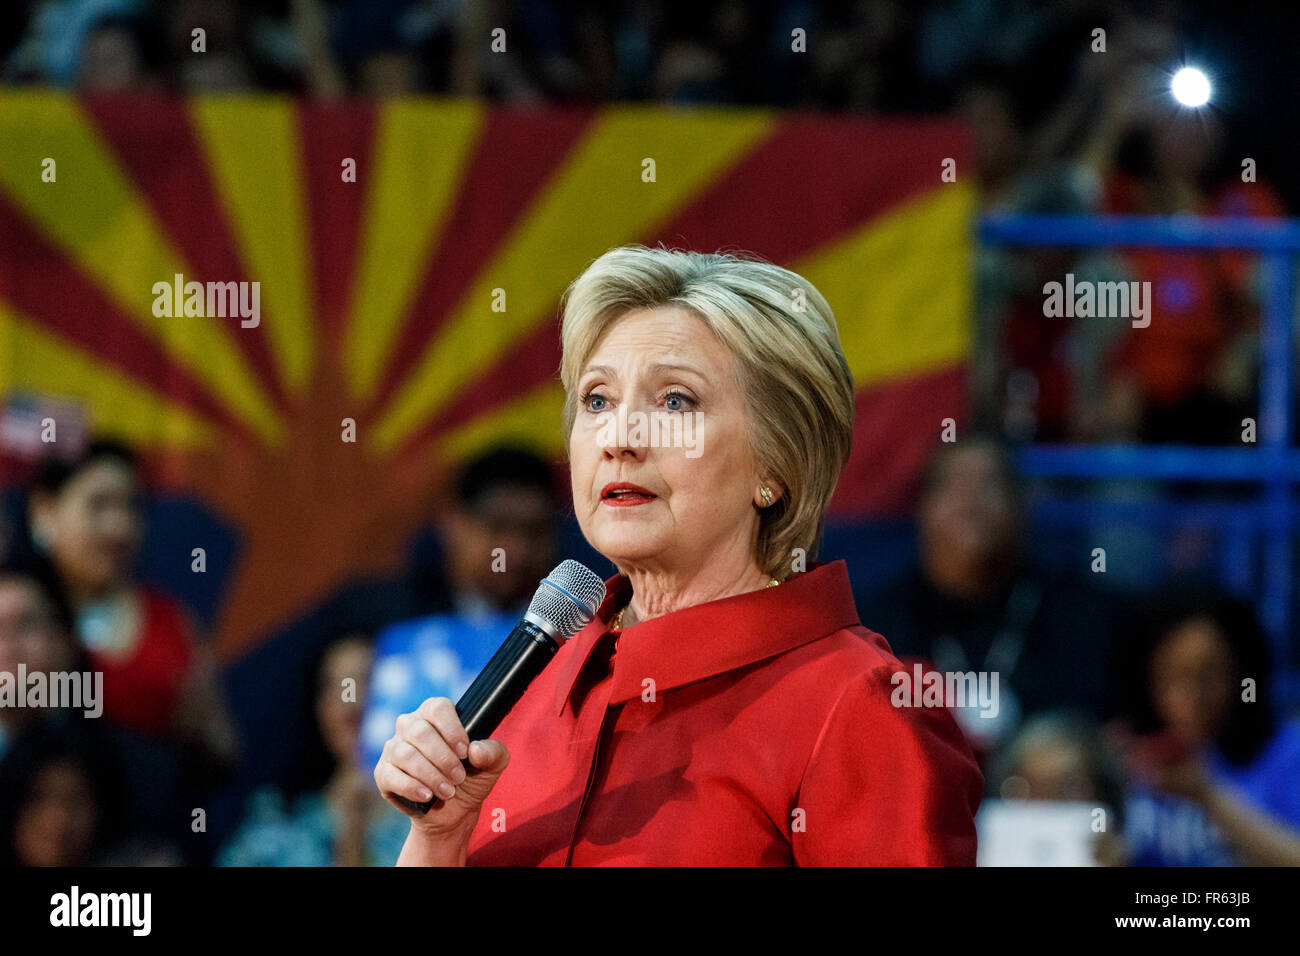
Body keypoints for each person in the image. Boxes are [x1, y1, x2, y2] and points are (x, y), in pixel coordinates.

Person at [374, 244, 984, 865]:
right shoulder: (540, 675)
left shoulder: (861, 705)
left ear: (775, 464)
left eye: (675, 402)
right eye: (596, 400)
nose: (620, 438)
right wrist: (438, 841)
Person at [858, 435, 1118, 763]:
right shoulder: (875, 622)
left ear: (1021, 507)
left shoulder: (1077, 611)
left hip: (1040, 802)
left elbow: (1094, 728)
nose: (970, 501)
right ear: (921, 508)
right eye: (952, 485)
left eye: (989, 484)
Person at [27, 439, 237, 767]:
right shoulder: (14, 616)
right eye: (99, 505)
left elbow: (224, 750)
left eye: (131, 507)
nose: (120, 527)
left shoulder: (172, 621)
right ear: (45, 512)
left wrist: (199, 735)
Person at [359, 445, 560, 774]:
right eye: (498, 526)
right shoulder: (383, 619)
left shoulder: (582, 628)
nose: (516, 550)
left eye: (534, 531)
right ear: (453, 523)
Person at [1109, 590, 1300, 866]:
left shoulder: (1285, 752)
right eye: (1172, 676)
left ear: (1243, 673)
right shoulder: (1125, 752)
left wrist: (1207, 796)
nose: (1193, 695)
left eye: (1210, 674)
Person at [219, 631, 408, 866]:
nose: (352, 700)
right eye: (334, 686)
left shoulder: (433, 814)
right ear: (318, 709)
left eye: (367, 679)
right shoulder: (276, 827)